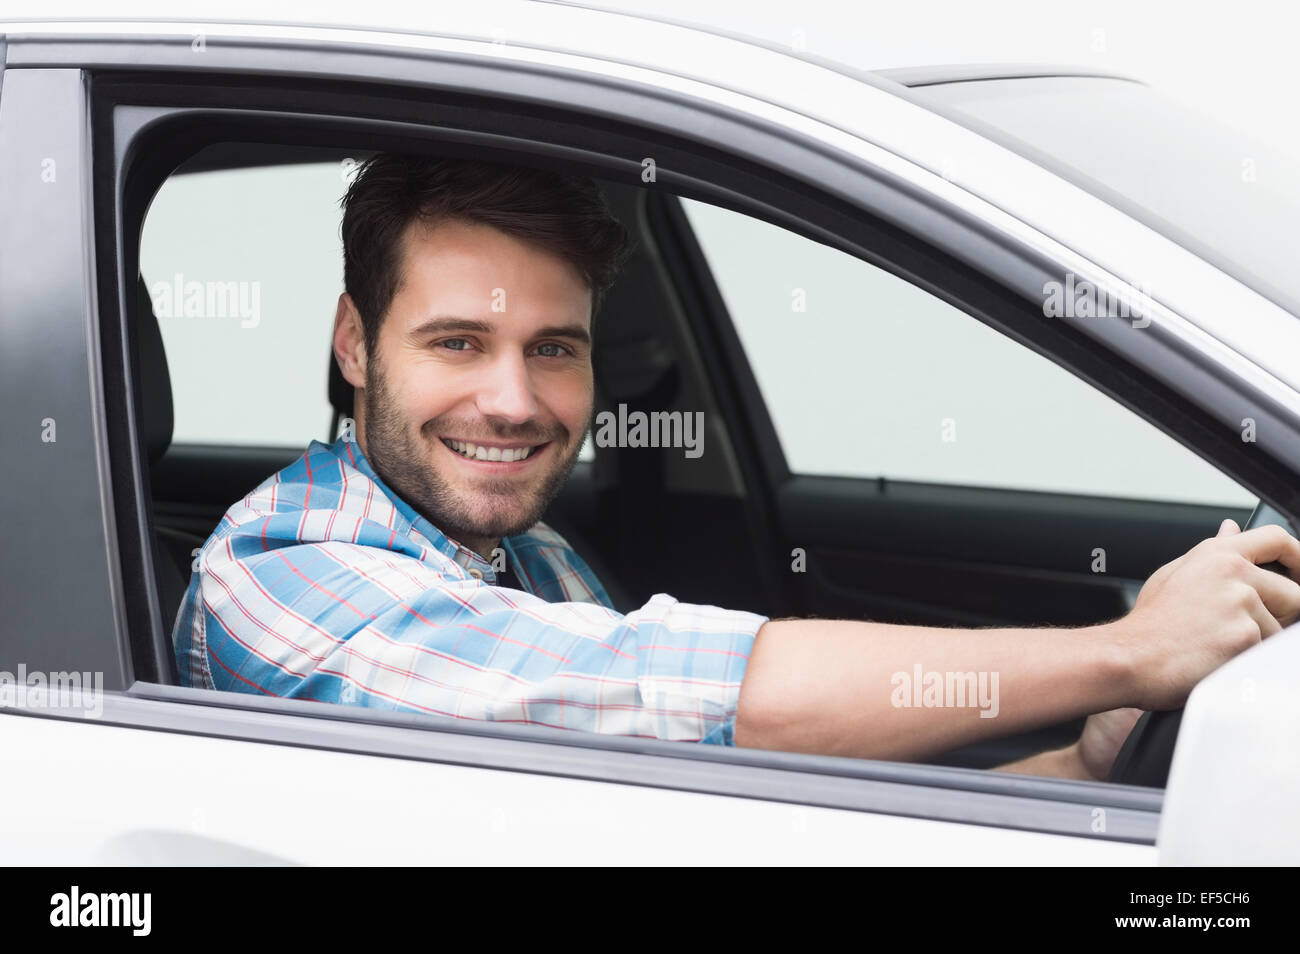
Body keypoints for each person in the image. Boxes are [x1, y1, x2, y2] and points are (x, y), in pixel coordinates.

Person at [173, 153, 1300, 780]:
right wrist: (1122, 652)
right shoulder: (280, 576)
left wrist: (1086, 754)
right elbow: (686, 692)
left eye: (553, 348)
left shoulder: (534, 551)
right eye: (457, 341)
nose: (514, 402)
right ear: (356, 342)